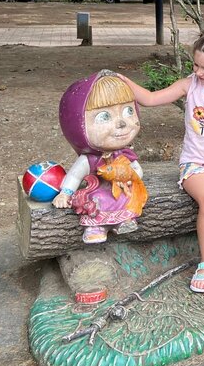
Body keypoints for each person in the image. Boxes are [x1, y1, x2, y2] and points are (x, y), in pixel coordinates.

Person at [118, 31, 204, 294]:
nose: (199, 72)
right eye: (195, 65)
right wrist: (122, 80)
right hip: (196, 164)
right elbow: (150, 98)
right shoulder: (189, 85)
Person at [54, 71, 149, 244]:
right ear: (78, 125)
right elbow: (75, 175)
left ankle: (125, 220)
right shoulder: (88, 160)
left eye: (129, 110)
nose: (121, 123)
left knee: (126, 198)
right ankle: (96, 227)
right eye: (104, 116)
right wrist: (65, 193)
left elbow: (136, 170)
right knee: (98, 200)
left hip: (121, 189)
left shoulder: (124, 155)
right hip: (98, 190)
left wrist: (130, 179)